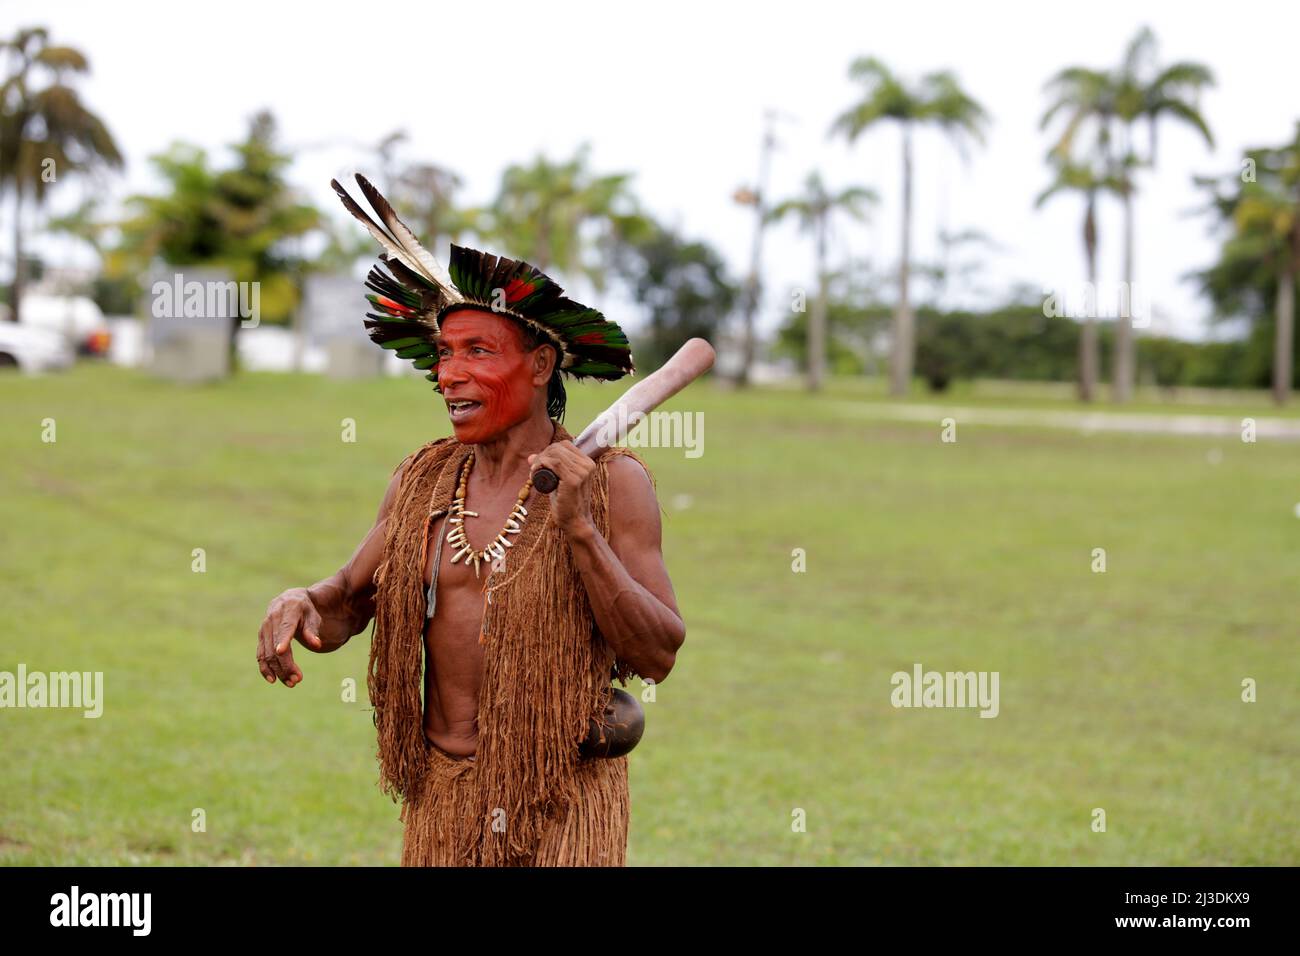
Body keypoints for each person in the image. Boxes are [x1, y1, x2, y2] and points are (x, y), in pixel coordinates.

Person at [256, 175, 685, 866]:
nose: (449, 375)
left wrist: (579, 530)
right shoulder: (422, 479)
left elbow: (658, 653)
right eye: (443, 355)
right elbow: (347, 601)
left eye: (477, 352)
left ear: (542, 363)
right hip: (440, 797)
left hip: (560, 802)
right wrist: (300, 603)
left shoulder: (613, 485)